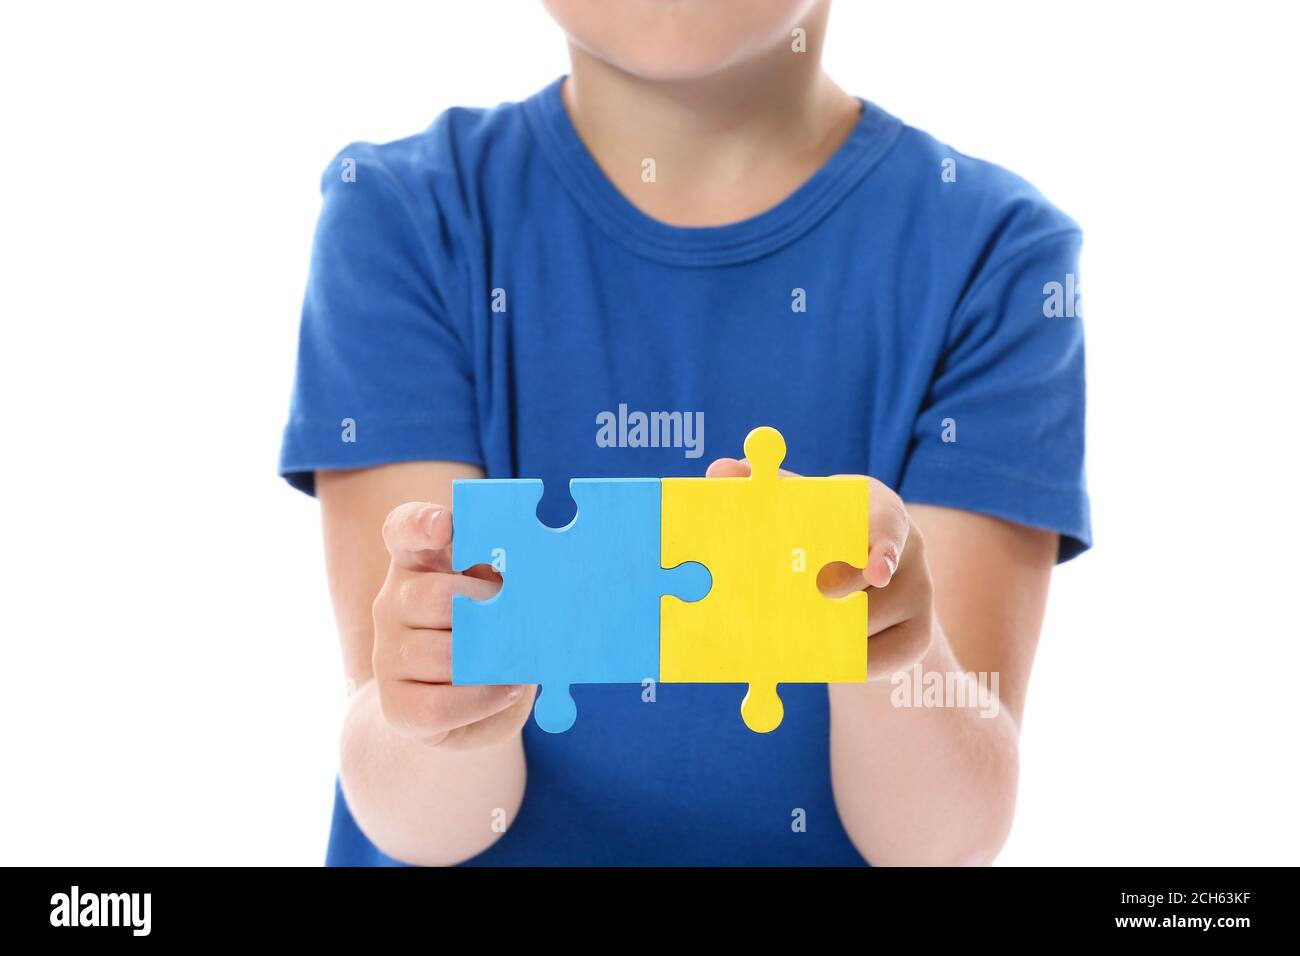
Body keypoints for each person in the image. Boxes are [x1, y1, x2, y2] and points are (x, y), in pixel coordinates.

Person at [279, 0, 1090, 866]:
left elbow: (943, 839)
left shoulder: (995, 254)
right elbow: (414, 818)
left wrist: (892, 650)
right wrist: (432, 706)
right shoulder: (403, 217)